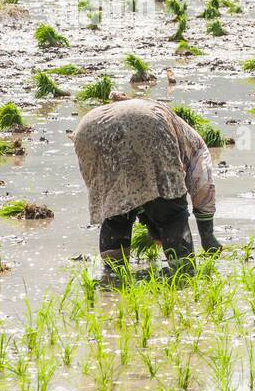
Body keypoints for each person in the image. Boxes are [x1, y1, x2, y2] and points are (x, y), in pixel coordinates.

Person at [74, 97, 221, 268]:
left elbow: (139, 193)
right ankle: (184, 278)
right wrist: (208, 236)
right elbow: (202, 182)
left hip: (88, 127)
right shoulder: (197, 145)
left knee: (117, 213)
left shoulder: (178, 130)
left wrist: (151, 225)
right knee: (171, 215)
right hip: (148, 122)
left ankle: (112, 280)